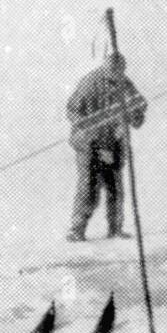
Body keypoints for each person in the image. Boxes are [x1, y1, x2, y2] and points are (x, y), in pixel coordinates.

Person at [66, 51, 147, 242]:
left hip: (113, 142)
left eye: (120, 71)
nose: (117, 75)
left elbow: (138, 113)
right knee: (89, 186)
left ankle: (115, 229)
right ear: (106, 68)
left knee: (114, 187)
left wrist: (133, 114)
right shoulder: (90, 82)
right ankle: (77, 229)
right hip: (89, 143)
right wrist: (86, 126)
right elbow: (71, 110)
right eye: (113, 70)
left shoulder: (125, 84)